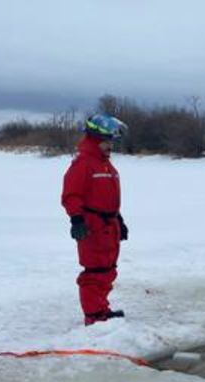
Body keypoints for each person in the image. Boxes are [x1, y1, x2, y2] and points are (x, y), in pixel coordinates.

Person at [61, 113, 129, 326]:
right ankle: (93, 315)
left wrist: (119, 219)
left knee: (109, 270)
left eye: (111, 142)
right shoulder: (83, 164)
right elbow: (71, 195)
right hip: (92, 227)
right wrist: (77, 220)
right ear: (94, 140)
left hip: (110, 226)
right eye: (106, 142)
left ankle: (102, 309)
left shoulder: (106, 165)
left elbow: (108, 197)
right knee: (95, 273)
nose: (110, 146)